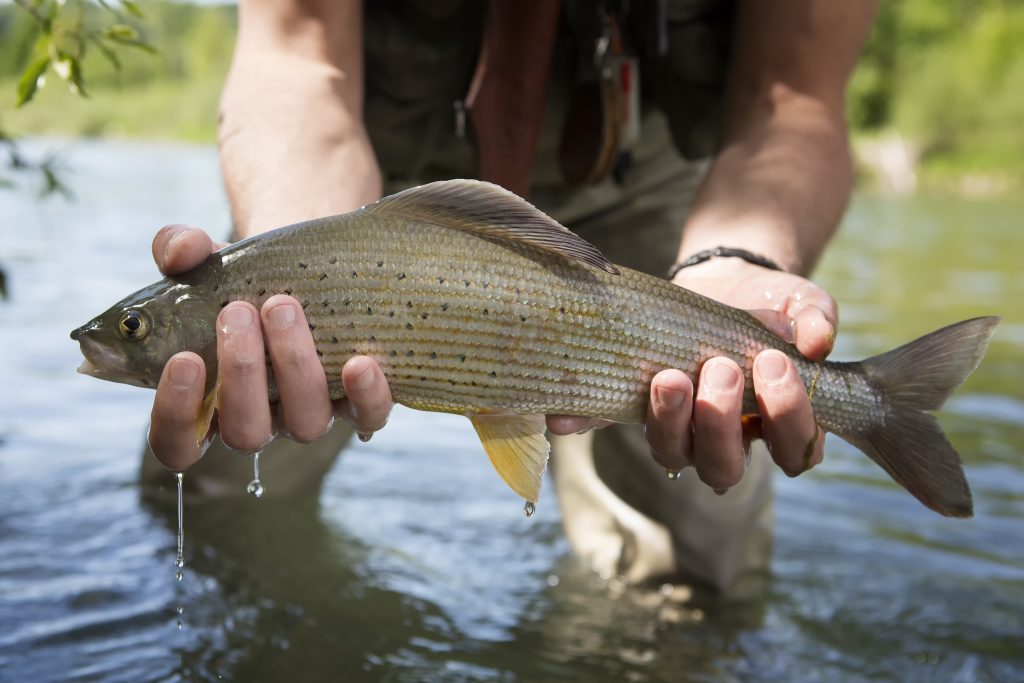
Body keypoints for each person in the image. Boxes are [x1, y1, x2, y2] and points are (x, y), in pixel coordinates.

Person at [141, 0, 876, 597]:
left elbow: (794, 99)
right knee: (211, 491)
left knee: (693, 564)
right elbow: (300, 56)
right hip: (371, 176)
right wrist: (294, 264)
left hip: (654, 174)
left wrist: (738, 258)